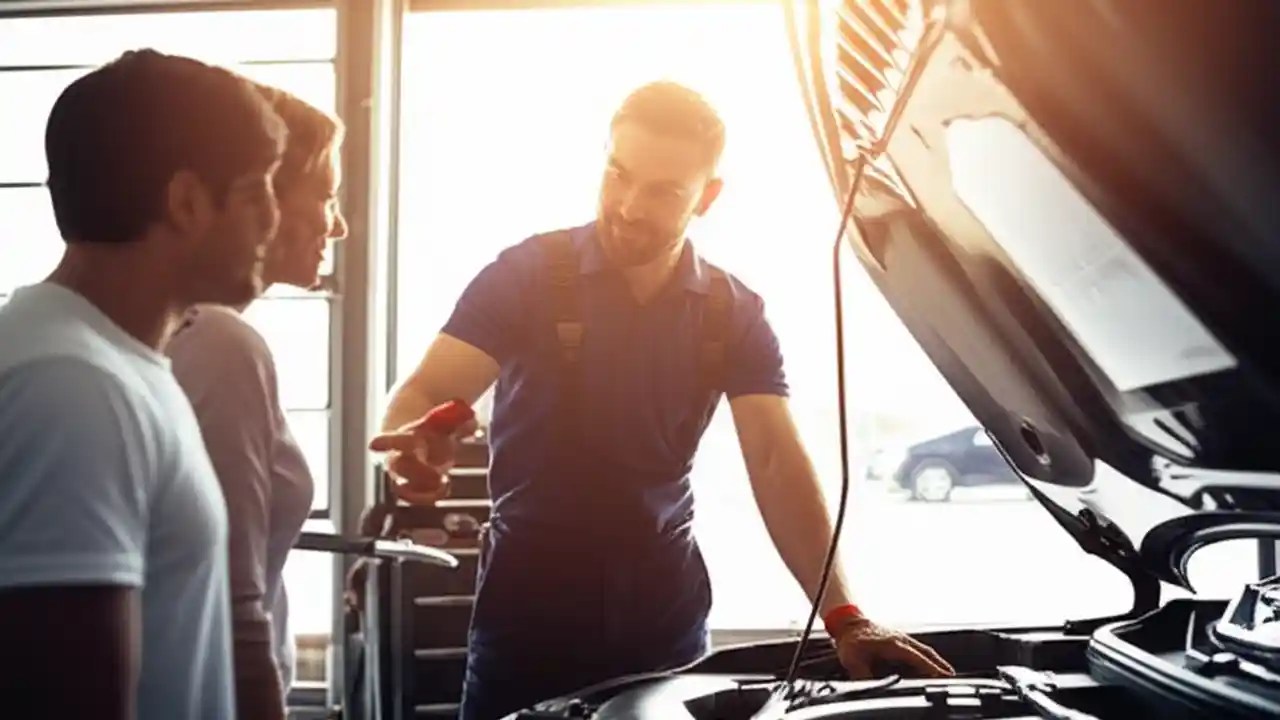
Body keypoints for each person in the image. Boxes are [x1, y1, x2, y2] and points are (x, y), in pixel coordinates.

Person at [369, 80, 955, 720]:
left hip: (662, 624)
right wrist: (411, 444)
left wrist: (844, 615)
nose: (626, 207)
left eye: (662, 191)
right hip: (525, 616)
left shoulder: (734, 314)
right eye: (618, 175)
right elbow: (428, 392)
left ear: (706, 197)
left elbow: (775, 462)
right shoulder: (526, 275)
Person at [0, 49, 286, 720]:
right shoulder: (70, 386)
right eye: (257, 190)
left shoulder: (117, 364)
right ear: (186, 201)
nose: (274, 218)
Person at [167, 83, 348, 720]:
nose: (340, 224)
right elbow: (230, 600)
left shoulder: (200, 331)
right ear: (266, 192)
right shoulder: (220, 342)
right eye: (327, 196)